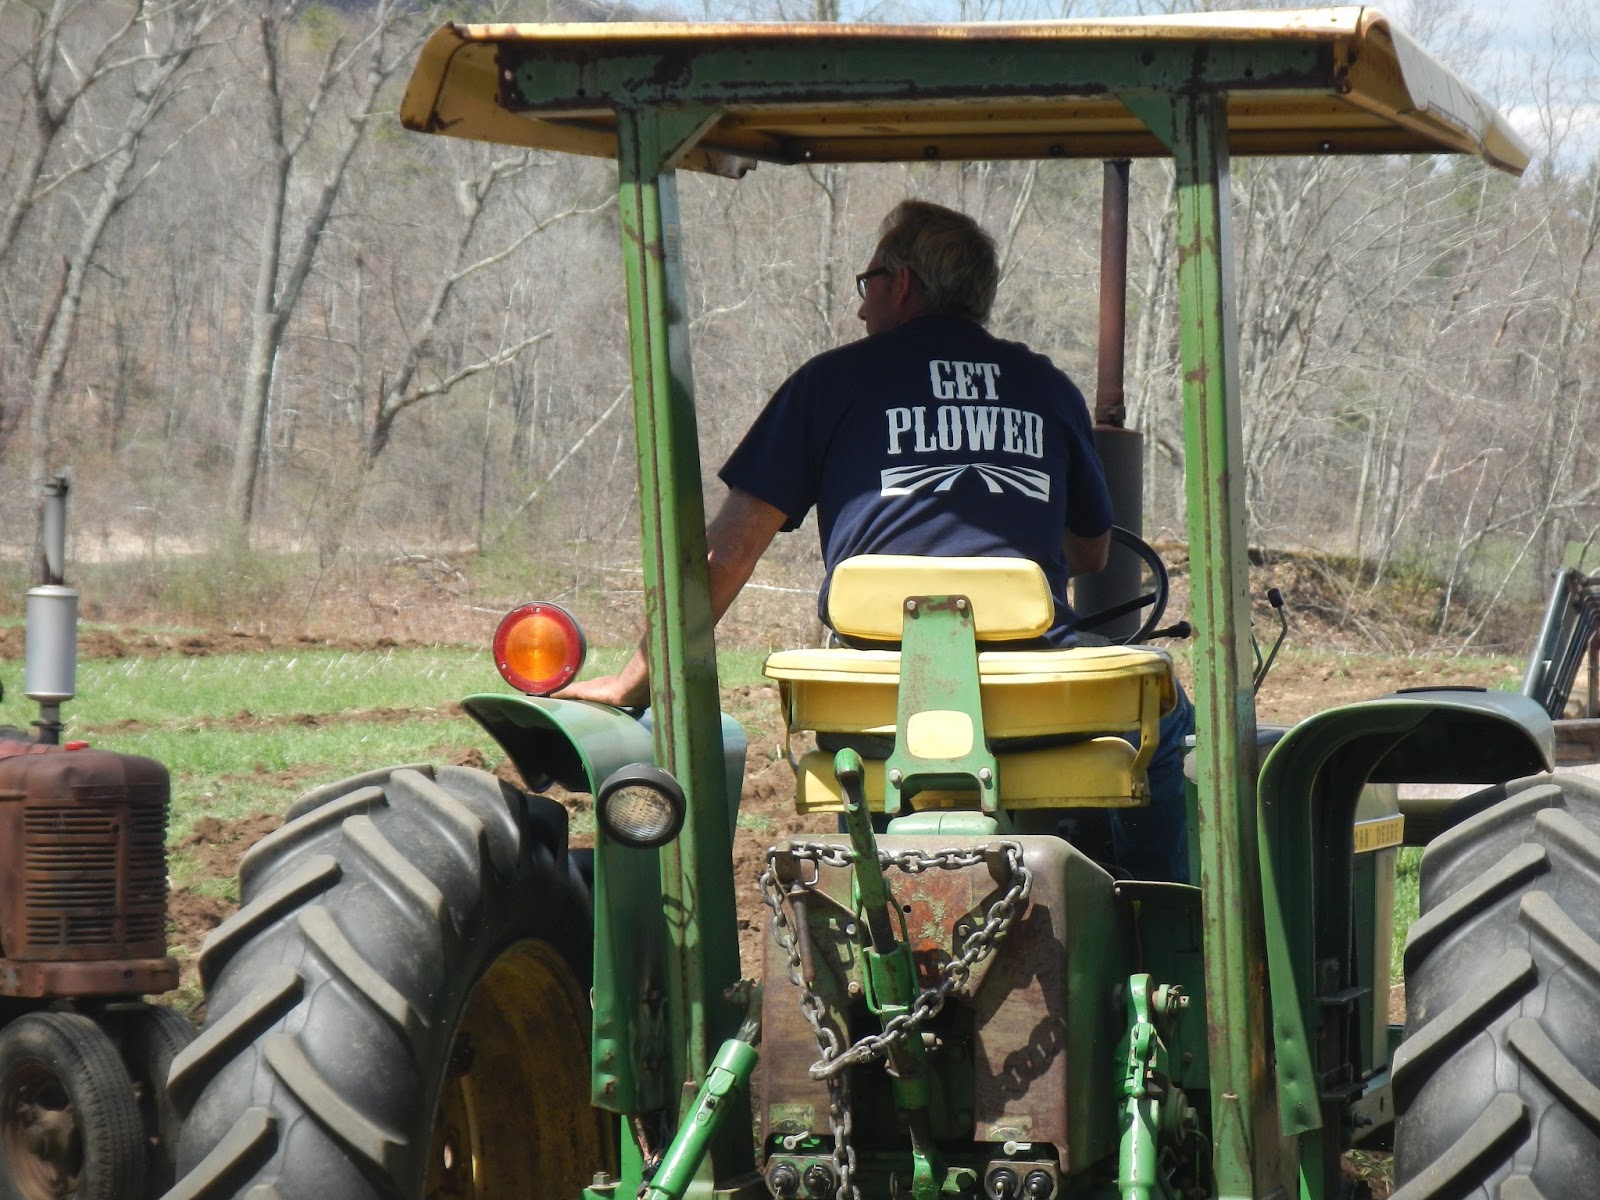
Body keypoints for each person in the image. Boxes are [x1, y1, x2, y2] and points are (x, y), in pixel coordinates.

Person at [557, 199, 1194, 882]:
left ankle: (872, 895)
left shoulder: (829, 383)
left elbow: (726, 554)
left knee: (874, 756)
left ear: (904, 283)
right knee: (1171, 727)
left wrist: (634, 677)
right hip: (1034, 697)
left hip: (877, 699)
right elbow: (1091, 555)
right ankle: (1157, 913)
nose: (861, 309)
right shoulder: (1047, 387)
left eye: (869, 285)